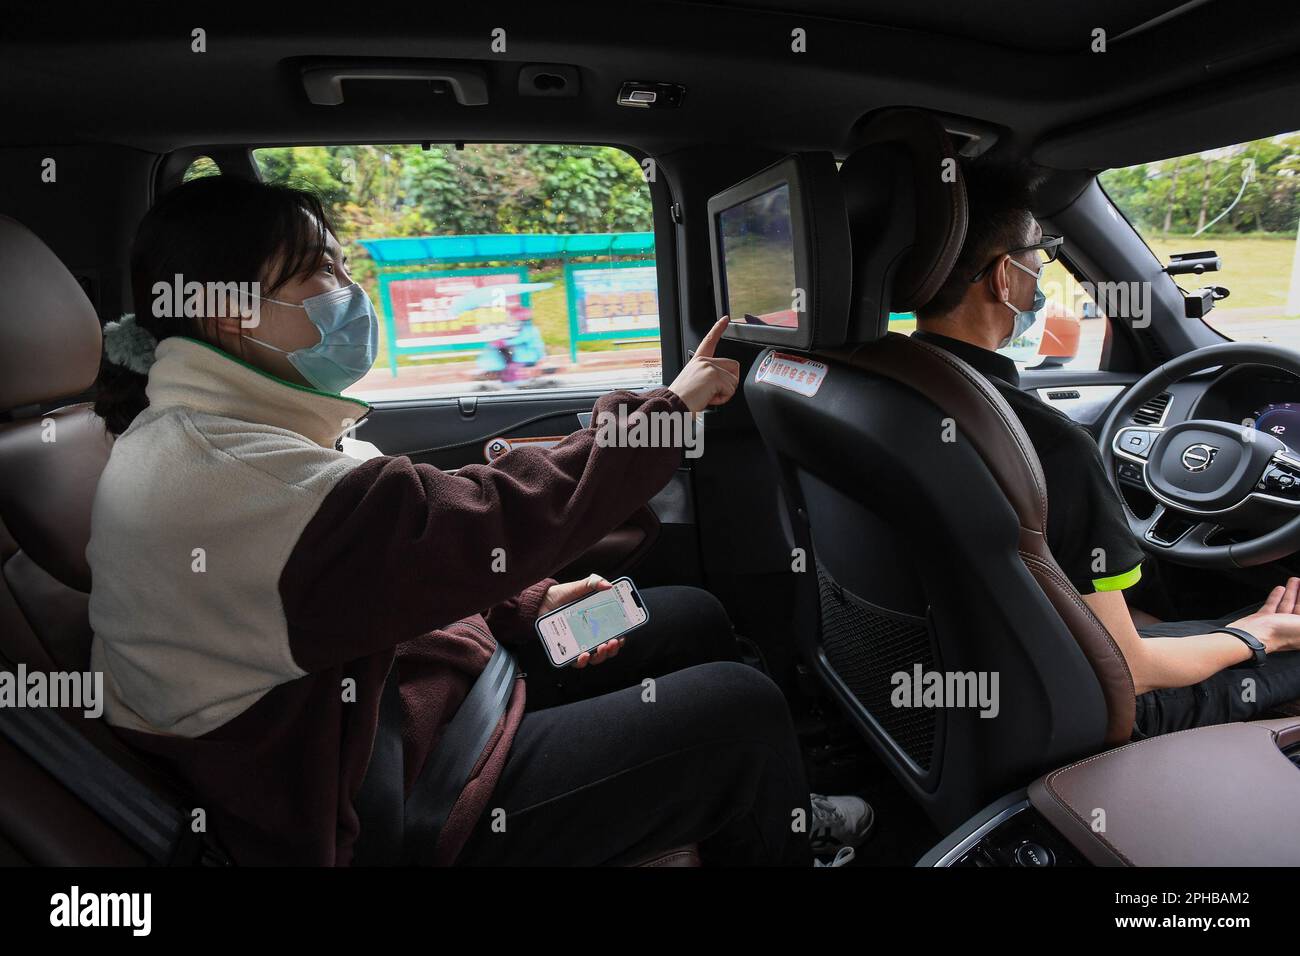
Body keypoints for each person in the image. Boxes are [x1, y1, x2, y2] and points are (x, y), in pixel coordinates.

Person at [87, 175, 870, 867]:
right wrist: (673, 406)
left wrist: (528, 604)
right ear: (227, 312)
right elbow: (483, 518)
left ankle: (772, 810)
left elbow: (392, 565)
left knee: (679, 616)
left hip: (430, 698)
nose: (346, 290)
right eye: (319, 271)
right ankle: (776, 822)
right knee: (740, 713)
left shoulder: (243, 435)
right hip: (397, 800)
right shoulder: (219, 475)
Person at [911, 160, 1300, 737]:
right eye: (1039, 254)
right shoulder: (1047, 444)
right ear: (1004, 277)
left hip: (959, 668)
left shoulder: (892, 386)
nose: (1041, 271)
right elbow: (1131, 671)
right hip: (1087, 708)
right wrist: (1257, 635)